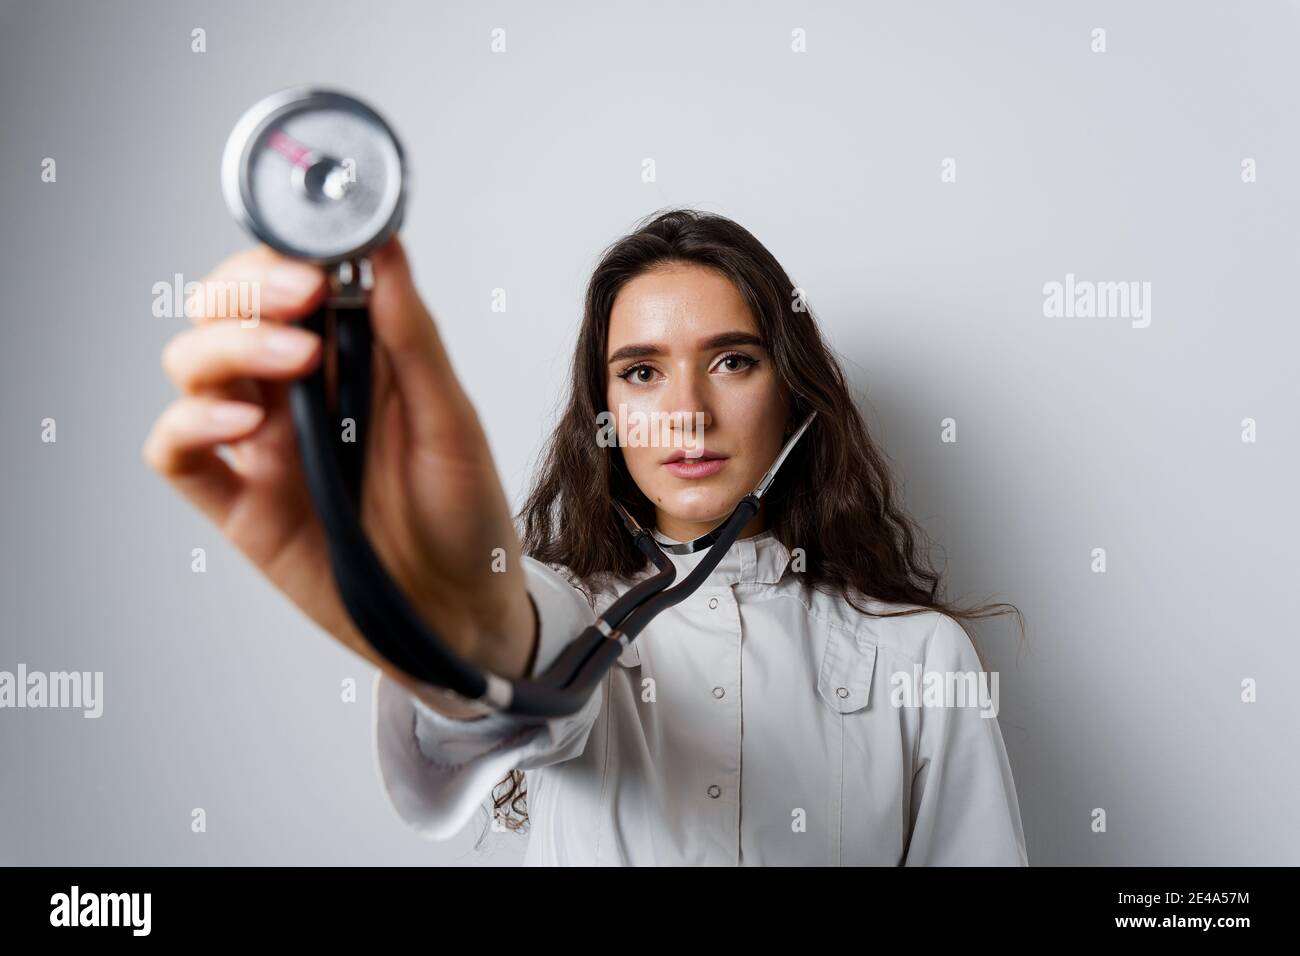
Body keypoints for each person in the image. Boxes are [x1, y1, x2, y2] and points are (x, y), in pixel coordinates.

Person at [144, 207, 1028, 866]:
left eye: (732, 361)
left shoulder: (923, 660)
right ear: (604, 415)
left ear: (794, 392)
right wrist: (445, 613)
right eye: (641, 372)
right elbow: (519, 654)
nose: (686, 413)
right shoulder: (575, 618)